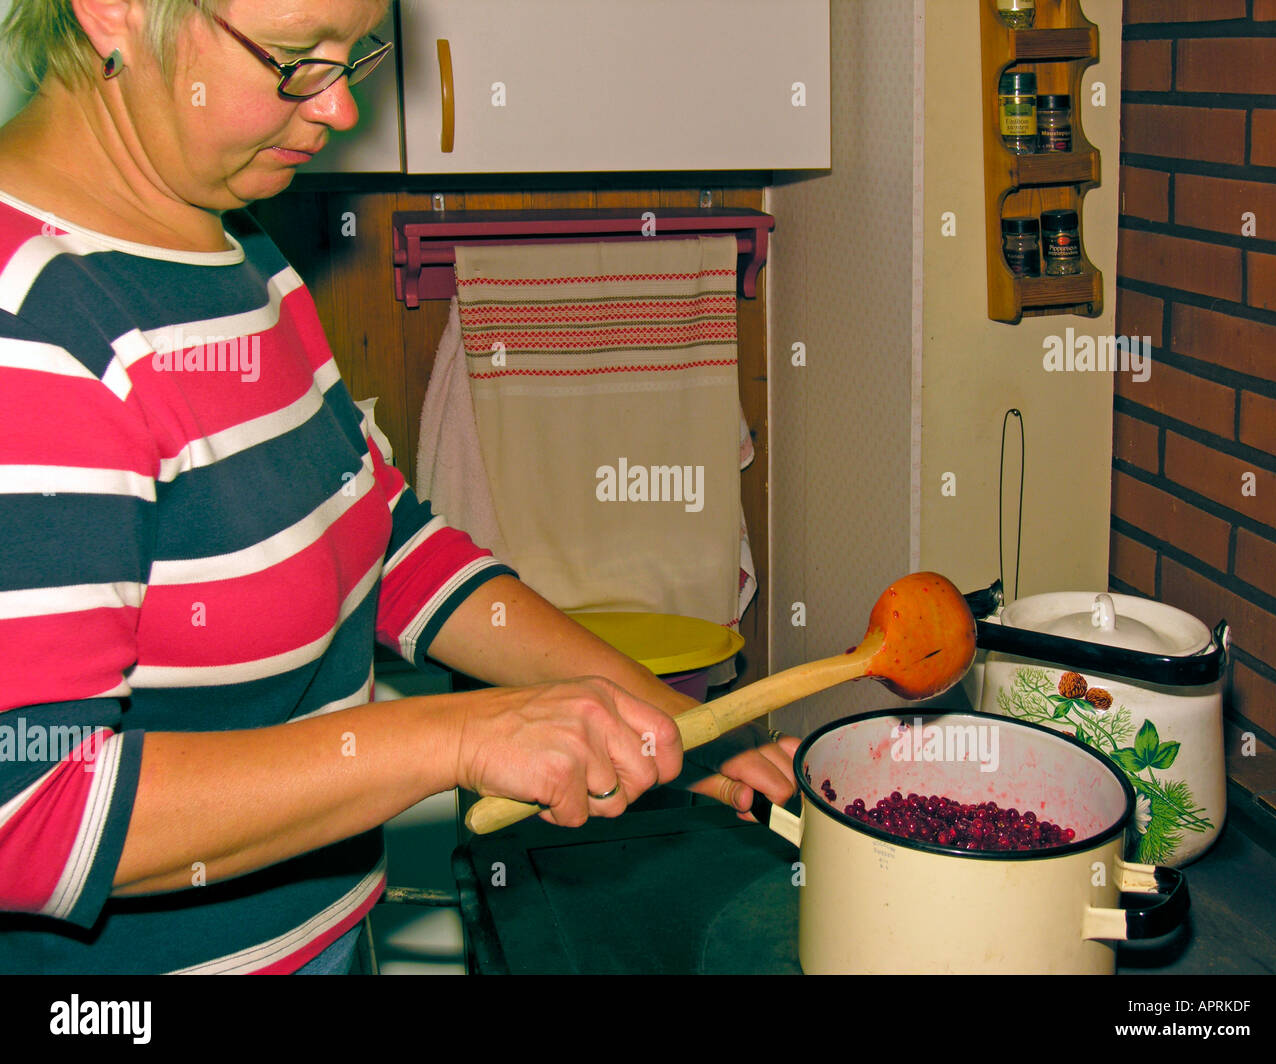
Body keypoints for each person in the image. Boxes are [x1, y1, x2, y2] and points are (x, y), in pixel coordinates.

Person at [0, 0, 798, 974]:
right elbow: (37, 809)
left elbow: (391, 542)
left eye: (358, 54)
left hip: (325, 938)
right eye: (297, 62)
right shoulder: (31, 330)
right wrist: (456, 734)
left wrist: (662, 717)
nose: (339, 109)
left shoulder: (232, 248)